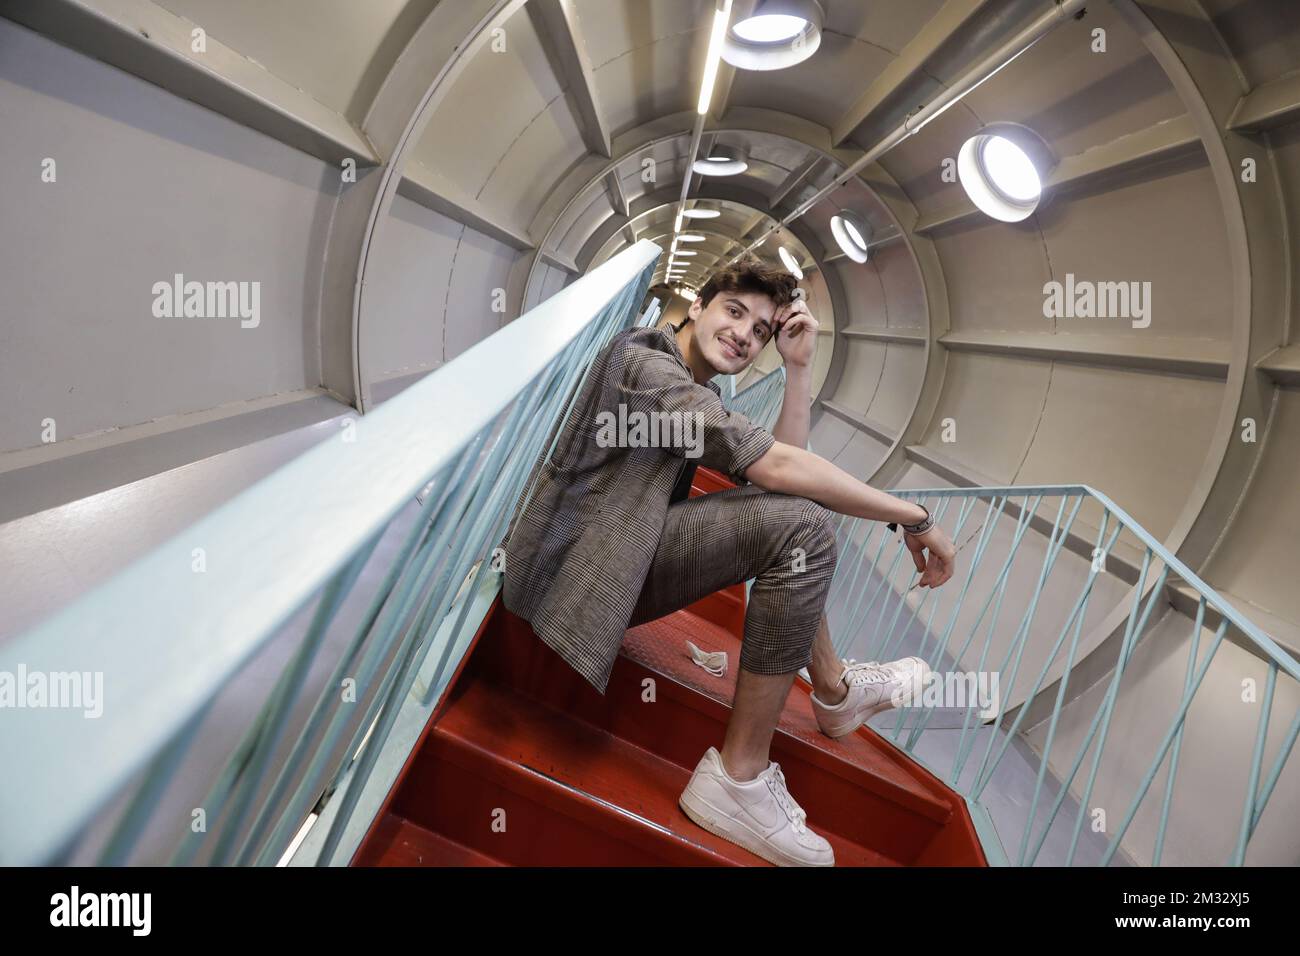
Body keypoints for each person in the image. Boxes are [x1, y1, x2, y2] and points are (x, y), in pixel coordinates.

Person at [499, 254, 956, 866]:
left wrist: (798, 369)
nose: (744, 334)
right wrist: (912, 515)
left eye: (760, 331)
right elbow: (779, 470)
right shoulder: (641, 365)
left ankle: (833, 690)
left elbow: (785, 474)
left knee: (797, 519)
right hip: (569, 578)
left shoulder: (694, 390)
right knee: (802, 525)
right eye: (734, 312)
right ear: (698, 306)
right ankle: (742, 776)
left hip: (614, 559)